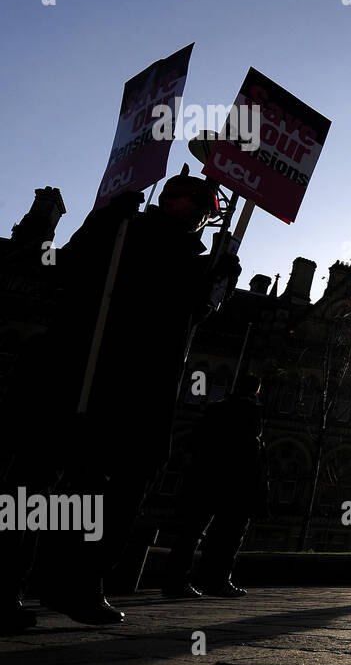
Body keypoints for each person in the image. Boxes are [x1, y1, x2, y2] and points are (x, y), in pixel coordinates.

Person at [0, 171, 237, 631]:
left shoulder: (197, 262)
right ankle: (7, 585)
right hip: (77, 372)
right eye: (183, 200)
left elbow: (193, 318)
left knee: (118, 490)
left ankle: (78, 583)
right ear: (165, 200)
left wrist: (220, 284)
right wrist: (102, 219)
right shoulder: (124, 230)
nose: (191, 211)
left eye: (200, 208)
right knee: (36, 482)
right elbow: (64, 266)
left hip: (140, 393)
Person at [162, 375, 267, 599]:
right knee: (227, 536)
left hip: (205, 480)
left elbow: (195, 442)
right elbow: (250, 451)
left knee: (192, 531)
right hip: (233, 485)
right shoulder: (251, 411)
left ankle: (175, 581)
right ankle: (217, 581)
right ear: (255, 391)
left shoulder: (214, 410)